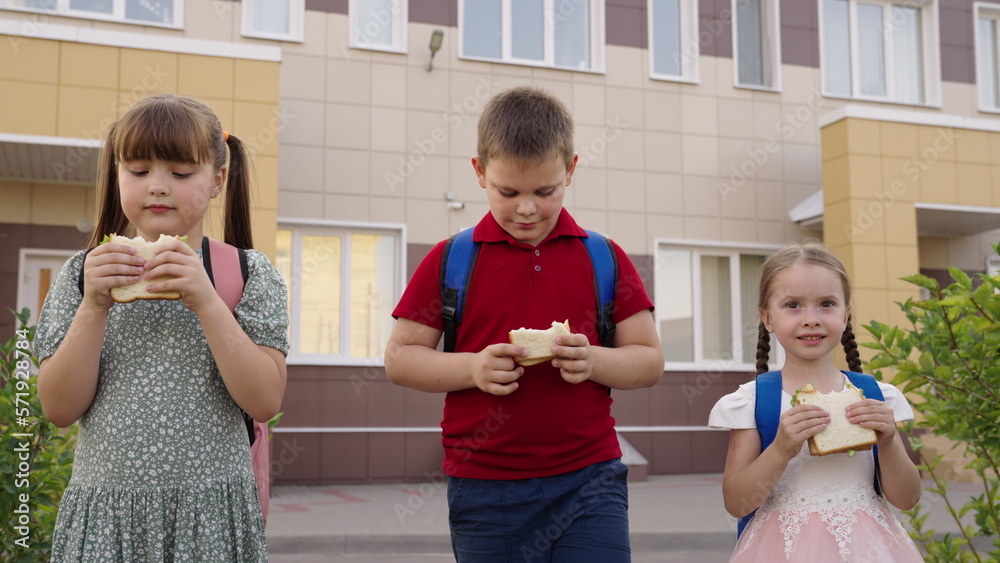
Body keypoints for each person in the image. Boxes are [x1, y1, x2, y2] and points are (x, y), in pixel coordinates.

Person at [385, 86, 664, 562]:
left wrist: (592, 360)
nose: (527, 209)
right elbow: (400, 359)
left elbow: (649, 361)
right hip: (486, 489)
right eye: (508, 192)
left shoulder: (604, 257)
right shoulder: (451, 258)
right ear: (479, 172)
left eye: (546, 191)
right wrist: (473, 369)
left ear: (571, 169)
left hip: (590, 481)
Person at [36, 94, 288, 562]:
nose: (157, 186)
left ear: (218, 180)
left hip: (211, 517)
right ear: (117, 175)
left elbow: (265, 400)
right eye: (138, 170)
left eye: (180, 172)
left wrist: (209, 302)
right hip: (106, 516)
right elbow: (58, 407)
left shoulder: (248, 272)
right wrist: (93, 306)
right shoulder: (82, 273)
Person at [709, 241, 923, 562]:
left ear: (846, 315)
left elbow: (907, 499)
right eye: (793, 305)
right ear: (767, 318)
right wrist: (781, 449)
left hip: (869, 549)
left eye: (826, 304)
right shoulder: (752, 402)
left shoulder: (879, 397)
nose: (811, 318)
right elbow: (737, 503)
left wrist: (890, 442)